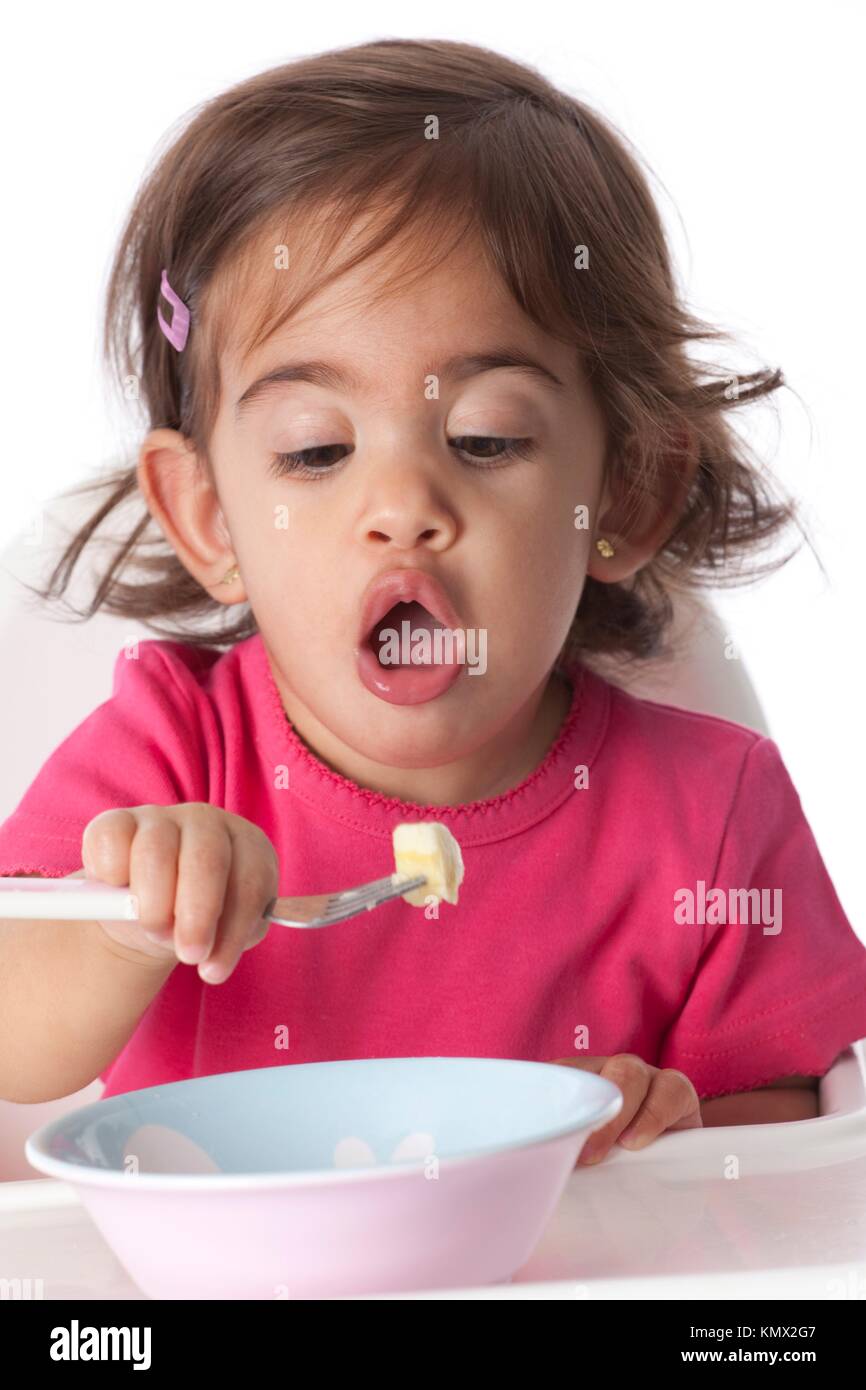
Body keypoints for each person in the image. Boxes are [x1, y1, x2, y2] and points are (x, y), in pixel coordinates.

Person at [2, 39, 864, 1167]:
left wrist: (669, 1135)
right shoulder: (170, 749)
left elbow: (794, 1157)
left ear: (625, 488)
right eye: (315, 451)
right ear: (211, 516)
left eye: (484, 436)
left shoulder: (710, 814)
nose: (402, 505)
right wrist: (130, 920)